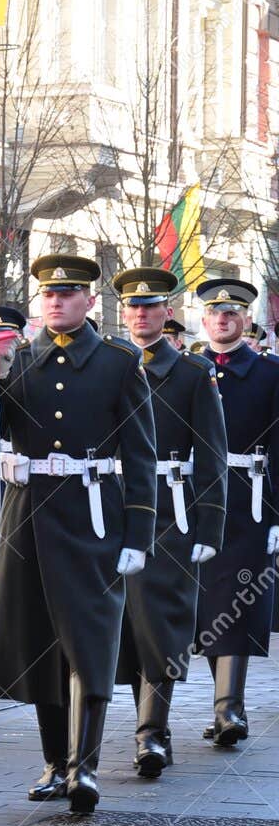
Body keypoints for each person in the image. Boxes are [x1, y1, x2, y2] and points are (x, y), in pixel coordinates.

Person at [0, 254, 156, 813]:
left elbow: (140, 453)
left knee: (90, 637)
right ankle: (55, 762)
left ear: (88, 301)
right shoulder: (22, 360)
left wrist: (138, 533)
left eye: (68, 294)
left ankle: (84, 766)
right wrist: (0, 375)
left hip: (93, 513)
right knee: (38, 641)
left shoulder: (117, 361)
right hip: (30, 513)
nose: (56, 302)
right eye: (48, 295)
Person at [114, 267, 226, 777]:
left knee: (161, 621)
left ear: (168, 313)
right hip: (110, 503)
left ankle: (152, 733)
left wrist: (210, 526)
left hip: (169, 507)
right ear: (122, 312)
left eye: (150, 306)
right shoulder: (107, 366)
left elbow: (212, 454)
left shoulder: (192, 374)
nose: (141, 314)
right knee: (119, 624)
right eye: (133, 306)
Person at [191, 277, 279, 749]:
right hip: (193, 497)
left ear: (247, 320)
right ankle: (224, 704)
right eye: (216, 314)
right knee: (206, 602)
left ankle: (229, 707)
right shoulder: (186, 368)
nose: (223, 320)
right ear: (203, 319)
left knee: (237, 600)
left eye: (233, 314)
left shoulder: (270, 372)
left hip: (250, 497)